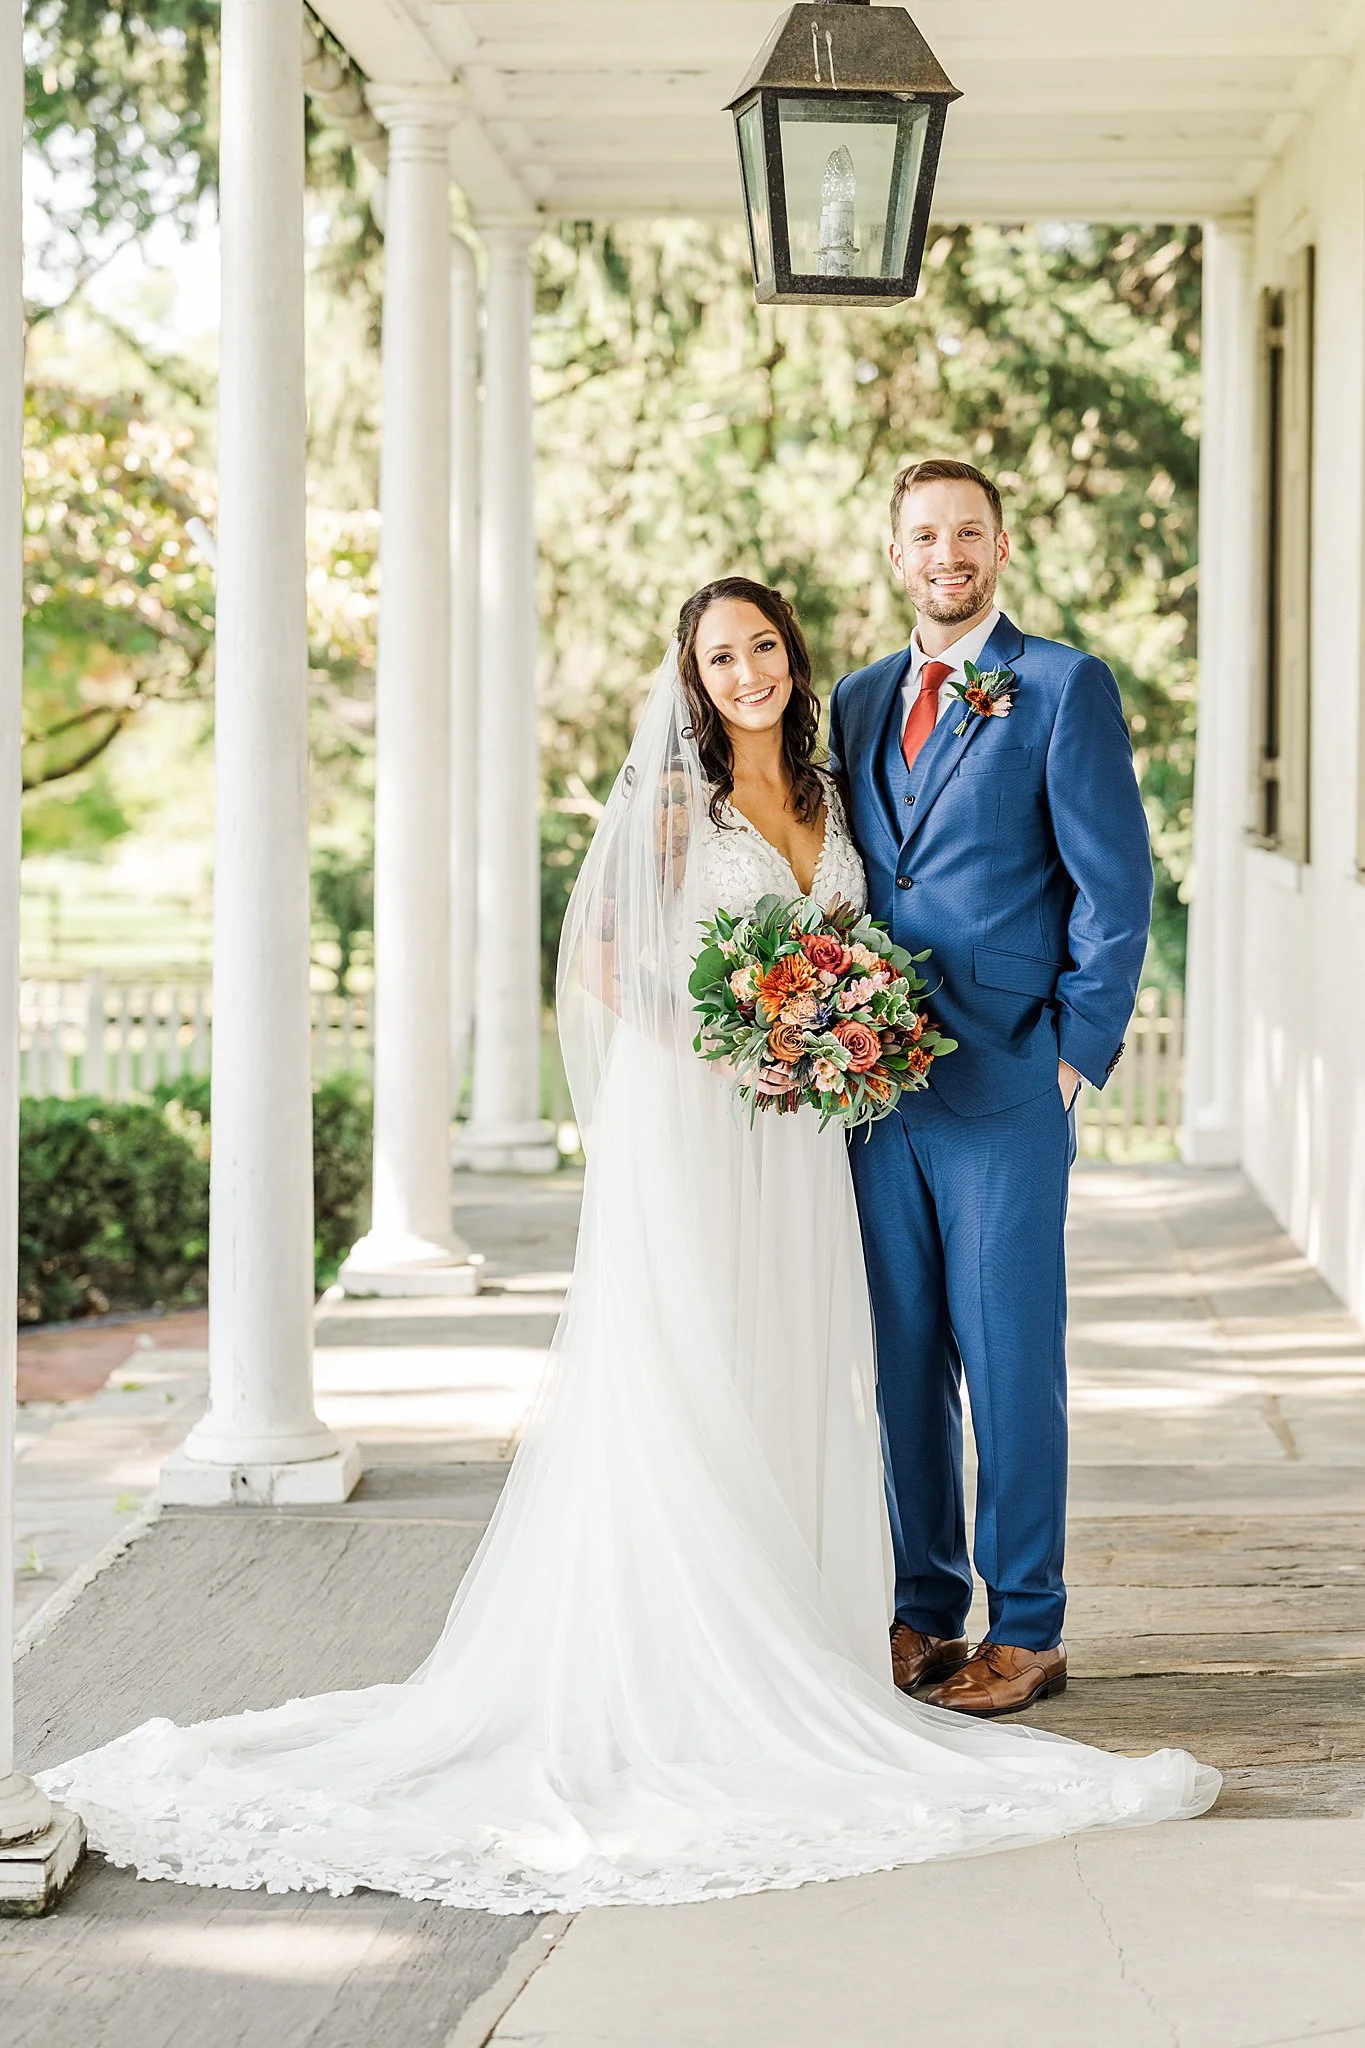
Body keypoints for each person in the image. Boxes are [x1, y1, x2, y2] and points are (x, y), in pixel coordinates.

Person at [39, 577, 1217, 1914]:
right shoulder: (678, 803)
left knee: (798, 1358)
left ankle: (806, 1621)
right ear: (694, 676)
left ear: (792, 656)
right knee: (689, 1361)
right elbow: (601, 962)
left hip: (803, 1127)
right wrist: (742, 1042)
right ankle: (683, 1646)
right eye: (722, 655)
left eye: (764, 645)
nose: (748, 670)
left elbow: (872, 930)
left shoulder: (834, 792)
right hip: (705, 1116)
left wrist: (830, 1034)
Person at [829, 458, 1153, 1715]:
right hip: (872, 1082)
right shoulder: (857, 701)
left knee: (1012, 1359)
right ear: (897, 553)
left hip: (1013, 1074)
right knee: (902, 1357)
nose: (945, 551)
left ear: (1001, 548)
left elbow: (1115, 894)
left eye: (968, 530)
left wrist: (1074, 1054)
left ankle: (1029, 1624)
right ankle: (923, 1611)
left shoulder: (1064, 686)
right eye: (924, 534)